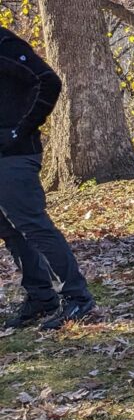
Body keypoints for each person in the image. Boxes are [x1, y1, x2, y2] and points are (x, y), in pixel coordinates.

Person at [0, 26, 97, 330]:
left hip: (15, 156)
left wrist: (20, 131)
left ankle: (78, 297)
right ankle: (41, 296)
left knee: (33, 226)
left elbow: (48, 80)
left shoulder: (4, 44)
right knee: (11, 231)